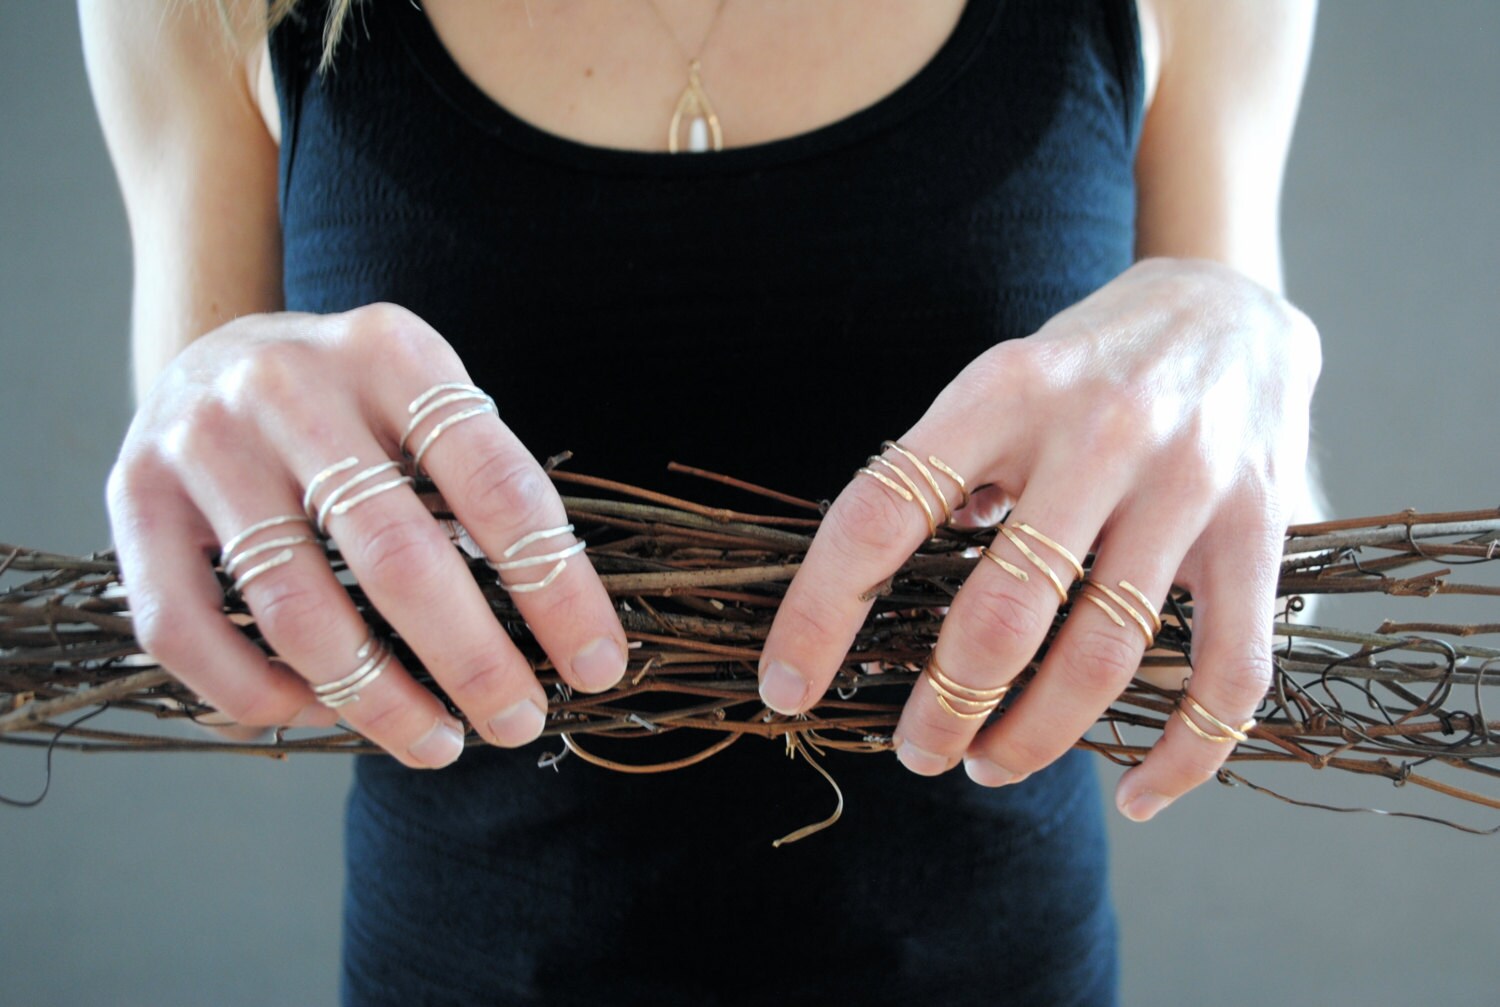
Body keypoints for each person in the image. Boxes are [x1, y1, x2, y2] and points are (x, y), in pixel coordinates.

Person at [80, 0, 1322, 1002]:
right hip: (457, 970)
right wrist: (206, 407)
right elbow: (220, 664)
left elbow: (1255, 637)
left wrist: (1244, 341)